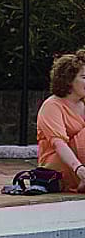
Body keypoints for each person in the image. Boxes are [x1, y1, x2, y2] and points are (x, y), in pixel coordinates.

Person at [37, 50, 85, 193]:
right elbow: (58, 144)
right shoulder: (52, 106)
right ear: (68, 80)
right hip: (60, 166)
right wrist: (78, 168)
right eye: (84, 77)